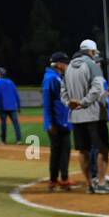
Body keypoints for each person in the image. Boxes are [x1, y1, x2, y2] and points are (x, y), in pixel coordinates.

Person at [62, 39, 109, 193]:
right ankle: (101, 182)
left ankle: (89, 185)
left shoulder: (69, 67)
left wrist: (69, 104)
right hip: (94, 115)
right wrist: (84, 102)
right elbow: (98, 88)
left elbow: (63, 91)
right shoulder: (92, 65)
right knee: (102, 149)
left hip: (76, 117)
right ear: (92, 52)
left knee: (83, 150)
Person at [41, 52, 72, 190]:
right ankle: (56, 180)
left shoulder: (56, 77)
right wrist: (49, 123)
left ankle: (60, 180)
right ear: (59, 64)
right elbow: (47, 103)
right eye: (65, 63)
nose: (67, 65)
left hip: (63, 121)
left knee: (63, 151)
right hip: (57, 123)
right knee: (59, 152)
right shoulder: (51, 78)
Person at [0, 67, 22, 143]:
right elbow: (16, 94)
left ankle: (3, 140)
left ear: (0, 74)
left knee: (3, 124)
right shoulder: (10, 82)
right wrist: (18, 106)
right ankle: (18, 140)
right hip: (12, 106)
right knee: (16, 123)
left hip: (3, 107)